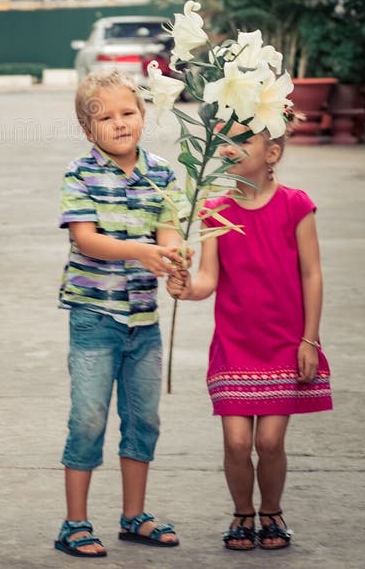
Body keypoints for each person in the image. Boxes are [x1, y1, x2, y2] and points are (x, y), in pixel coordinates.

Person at [167, 120, 333, 551]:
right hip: (234, 345)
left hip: (284, 344)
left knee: (270, 441)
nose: (228, 148)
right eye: (224, 140)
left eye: (243, 140)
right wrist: (186, 287)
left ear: (271, 153)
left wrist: (309, 340)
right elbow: (208, 279)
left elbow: (312, 275)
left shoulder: (296, 205)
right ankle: (242, 512)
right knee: (237, 442)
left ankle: (272, 511)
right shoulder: (215, 210)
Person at [54, 68, 189, 559]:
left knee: (143, 419)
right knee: (88, 419)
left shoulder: (163, 173)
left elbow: (169, 230)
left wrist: (173, 259)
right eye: (105, 117)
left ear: (143, 115)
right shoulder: (80, 173)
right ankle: (74, 523)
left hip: (144, 322)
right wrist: (141, 252)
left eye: (127, 112)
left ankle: (134, 516)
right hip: (95, 318)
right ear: (87, 128)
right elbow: (86, 239)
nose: (119, 123)